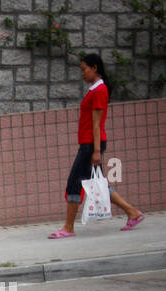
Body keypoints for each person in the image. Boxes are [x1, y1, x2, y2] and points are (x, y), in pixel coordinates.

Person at [49, 53, 145, 238]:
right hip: (89, 144)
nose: (82, 73)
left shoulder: (99, 91)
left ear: (94, 68)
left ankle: (68, 228)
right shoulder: (95, 89)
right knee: (96, 183)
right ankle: (133, 213)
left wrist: (96, 151)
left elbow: (96, 124)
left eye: (84, 69)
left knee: (74, 183)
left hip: (90, 145)